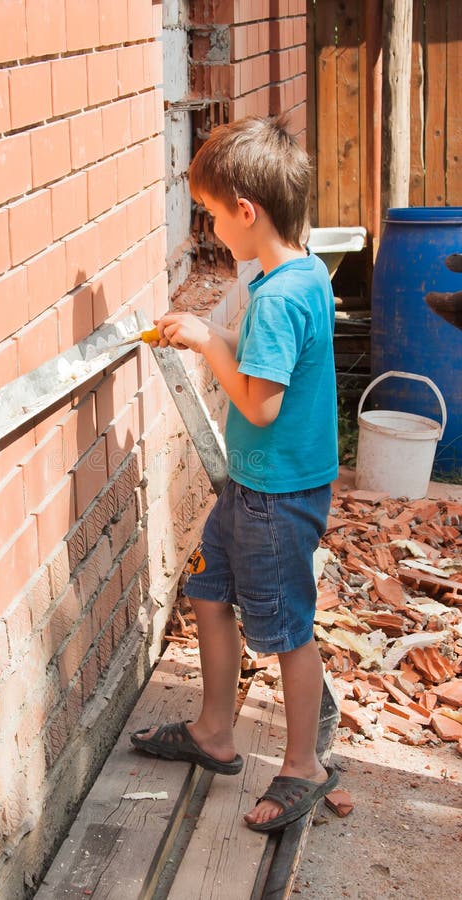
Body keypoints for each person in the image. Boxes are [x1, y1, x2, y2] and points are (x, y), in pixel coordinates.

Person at [130, 114, 339, 833]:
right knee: (209, 592)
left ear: (247, 214)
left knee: (286, 631)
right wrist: (214, 335)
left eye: (215, 216)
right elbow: (260, 375)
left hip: (274, 499)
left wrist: (209, 348)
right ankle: (215, 734)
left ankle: (304, 764)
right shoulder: (301, 269)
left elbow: (259, 402)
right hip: (255, 490)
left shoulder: (279, 297)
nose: (214, 229)